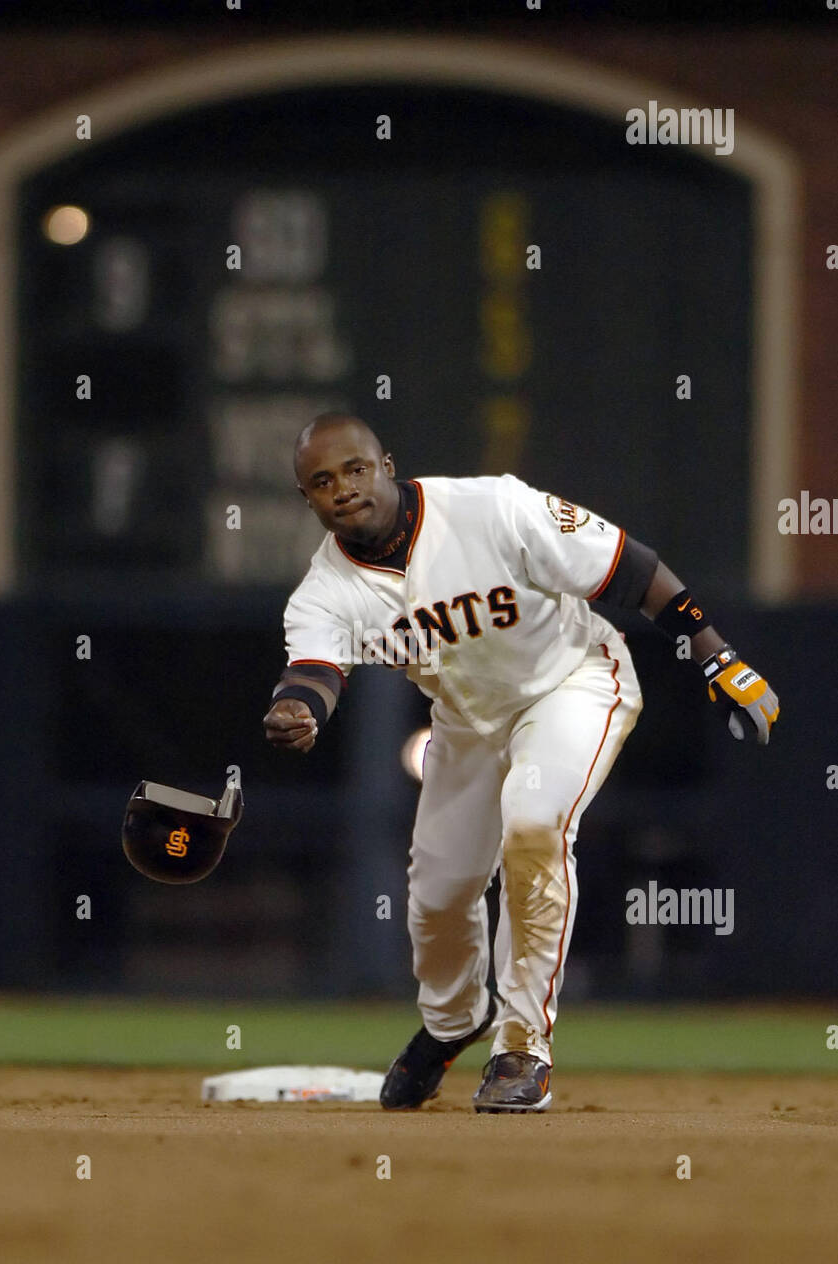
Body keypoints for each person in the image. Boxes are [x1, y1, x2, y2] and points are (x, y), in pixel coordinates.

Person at [263, 414, 779, 1113]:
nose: (343, 488)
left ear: (385, 463)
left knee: (533, 827)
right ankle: (452, 1024)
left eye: (354, 469)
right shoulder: (325, 590)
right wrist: (300, 711)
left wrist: (717, 657)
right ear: (308, 501)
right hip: (466, 725)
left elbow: (632, 568)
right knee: (439, 897)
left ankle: (521, 1048)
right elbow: (314, 673)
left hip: (572, 683)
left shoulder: (491, 508)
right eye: (322, 482)